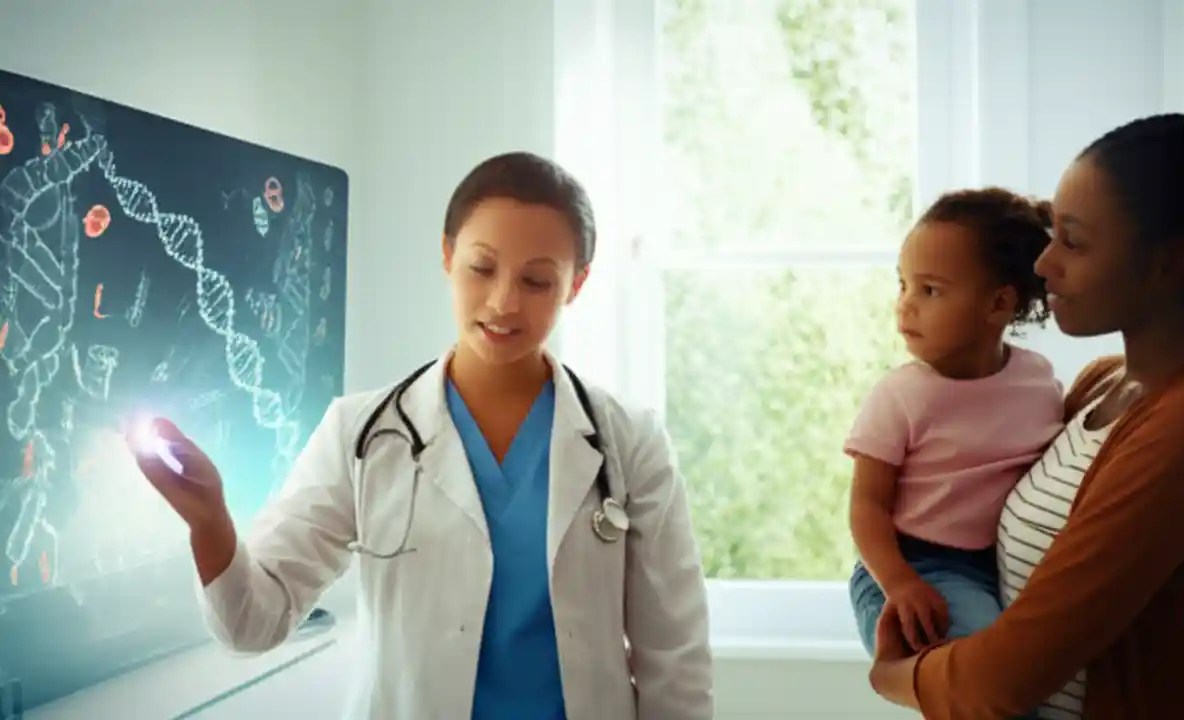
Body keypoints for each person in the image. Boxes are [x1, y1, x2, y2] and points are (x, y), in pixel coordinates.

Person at [127, 151, 715, 720]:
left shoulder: (629, 443)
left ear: (577, 284)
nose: (503, 302)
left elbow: (675, 663)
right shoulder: (359, 434)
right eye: (482, 268)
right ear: (447, 255)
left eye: (537, 281)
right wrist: (210, 523)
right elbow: (254, 625)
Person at [868, 113, 1184, 719]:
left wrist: (894, 675)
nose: (1043, 264)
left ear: (1171, 265)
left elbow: (1000, 682)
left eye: (1075, 242)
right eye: (1052, 233)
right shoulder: (1098, 387)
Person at [844, 189, 1063, 669]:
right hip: (910, 568)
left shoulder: (1038, 381)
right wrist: (900, 583)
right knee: (990, 678)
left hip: (995, 570)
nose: (905, 306)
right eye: (902, 285)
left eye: (930, 290)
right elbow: (865, 507)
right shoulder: (899, 395)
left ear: (999, 304)